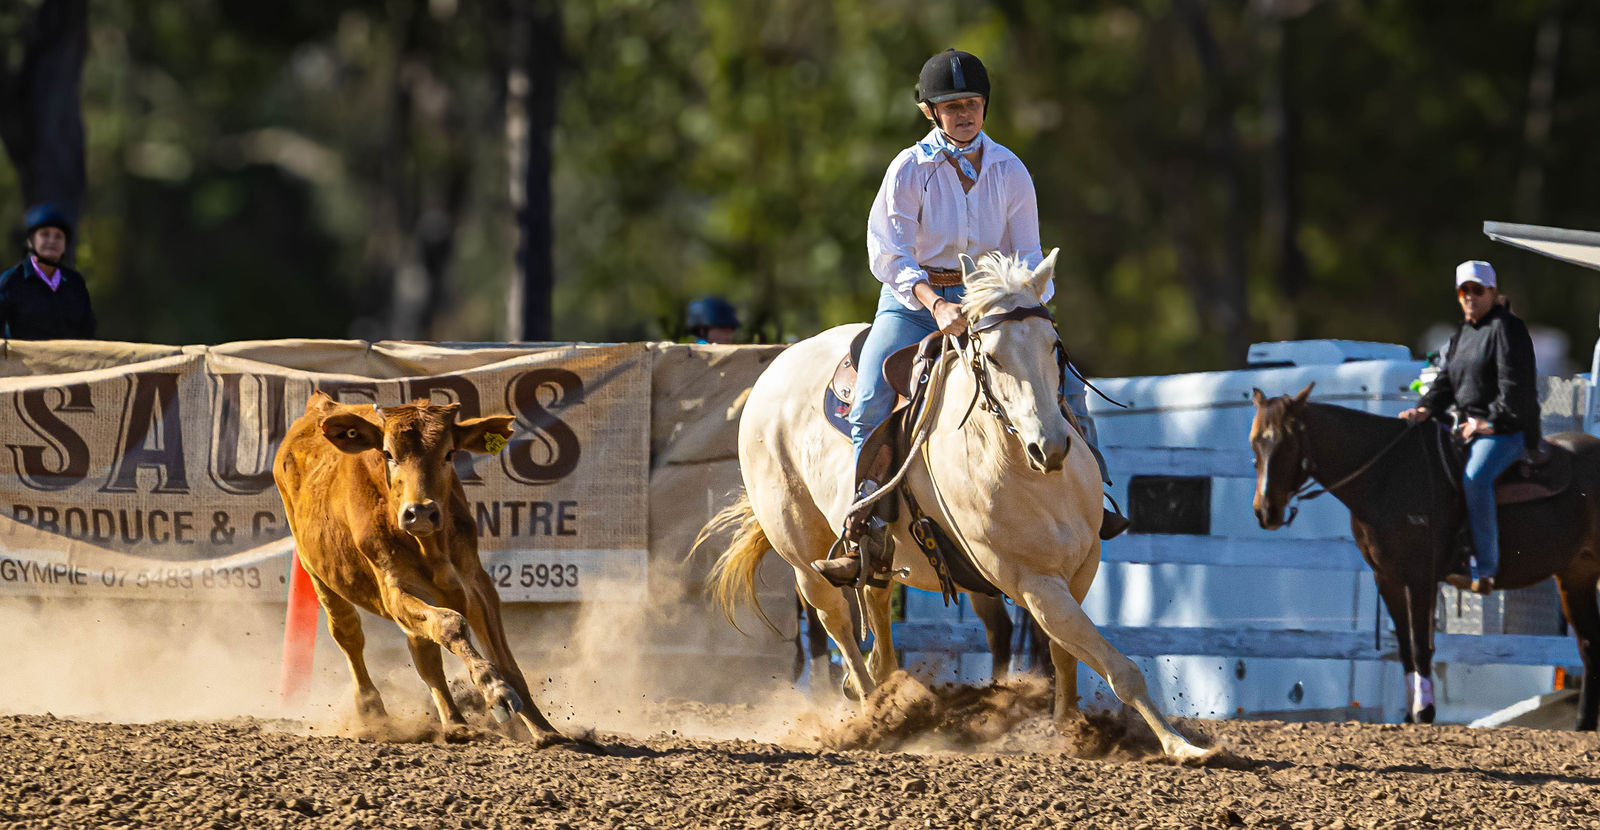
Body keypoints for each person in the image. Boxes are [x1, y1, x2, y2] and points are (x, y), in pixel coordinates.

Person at [811, 49, 1125, 588]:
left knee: (1065, 380)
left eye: (971, 104)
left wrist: (1022, 295)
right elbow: (888, 253)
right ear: (930, 112)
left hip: (991, 294)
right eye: (950, 106)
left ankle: (1095, 491)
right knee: (871, 397)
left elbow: (1027, 251)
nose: (963, 114)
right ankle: (862, 529)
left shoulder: (1010, 168)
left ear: (985, 107)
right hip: (914, 299)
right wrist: (936, 303)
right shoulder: (910, 169)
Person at [1399, 260, 1539, 595]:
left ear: (1492, 291)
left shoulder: (1507, 328)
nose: (1470, 297)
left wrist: (1487, 422)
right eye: (1464, 291)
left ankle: (1485, 569)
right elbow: (1445, 382)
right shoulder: (1463, 333)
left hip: (1508, 430)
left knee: (1475, 478)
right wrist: (1423, 409)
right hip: (1468, 428)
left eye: (1478, 290)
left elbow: (1515, 391)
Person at [0, 203, 96, 340]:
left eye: (58, 237)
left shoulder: (75, 283)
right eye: (45, 235)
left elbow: (88, 334)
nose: (52, 241)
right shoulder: (11, 281)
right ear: (30, 241)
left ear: (65, 245)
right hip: (24, 361)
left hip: (70, 360)